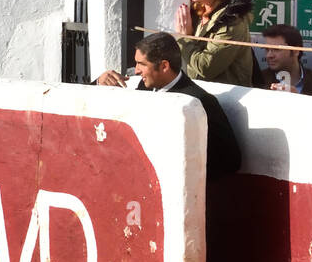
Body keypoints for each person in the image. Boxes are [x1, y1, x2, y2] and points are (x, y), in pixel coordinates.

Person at [96, 32, 241, 179]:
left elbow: (230, 161)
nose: (137, 70)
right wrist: (98, 82)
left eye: (142, 64)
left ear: (164, 66)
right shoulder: (143, 86)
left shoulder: (200, 101)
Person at [173, 0, 254, 86]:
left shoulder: (232, 21)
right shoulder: (198, 12)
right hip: (203, 96)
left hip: (226, 102)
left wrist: (184, 38)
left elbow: (206, 67)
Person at [254, 24, 312, 97]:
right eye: (267, 49)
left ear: (296, 51)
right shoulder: (257, 83)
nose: (269, 55)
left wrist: (298, 100)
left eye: (276, 49)